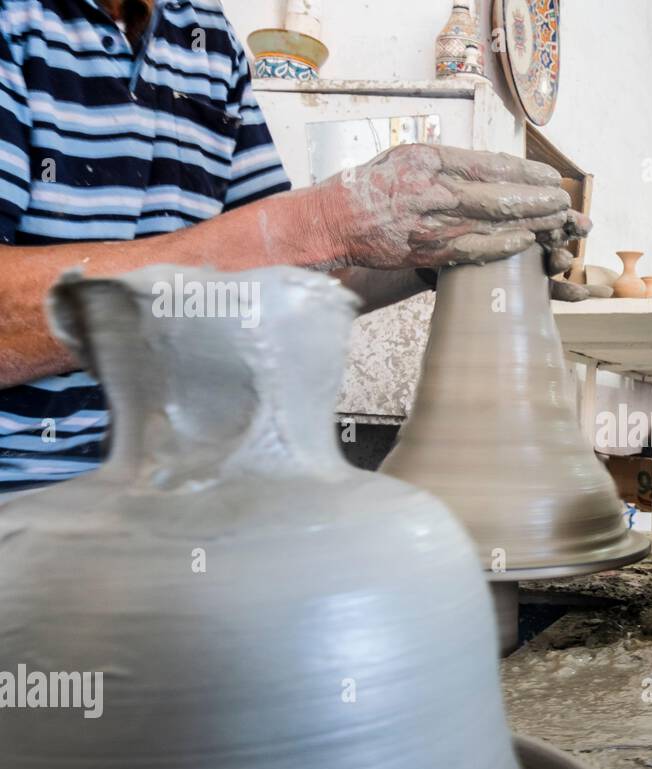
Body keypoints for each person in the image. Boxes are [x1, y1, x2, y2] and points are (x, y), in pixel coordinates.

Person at [0, 0, 586, 493]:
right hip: (31, 491)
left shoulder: (201, 33)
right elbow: (284, 241)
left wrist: (437, 251)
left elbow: (273, 275)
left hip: (188, 484)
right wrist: (317, 220)